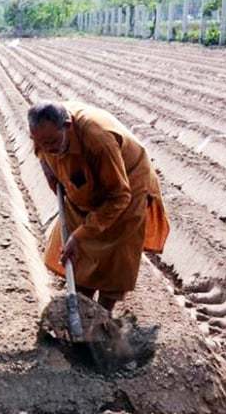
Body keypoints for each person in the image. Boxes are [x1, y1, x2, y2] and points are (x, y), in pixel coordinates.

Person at [28, 101, 170, 313]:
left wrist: (78, 236)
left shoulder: (98, 139)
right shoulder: (44, 134)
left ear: (67, 126)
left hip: (127, 183)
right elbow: (42, 153)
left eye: (52, 142)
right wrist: (51, 172)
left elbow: (119, 196)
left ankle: (104, 314)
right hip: (83, 177)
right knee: (82, 243)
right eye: (41, 143)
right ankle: (83, 302)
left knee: (115, 248)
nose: (48, 148)